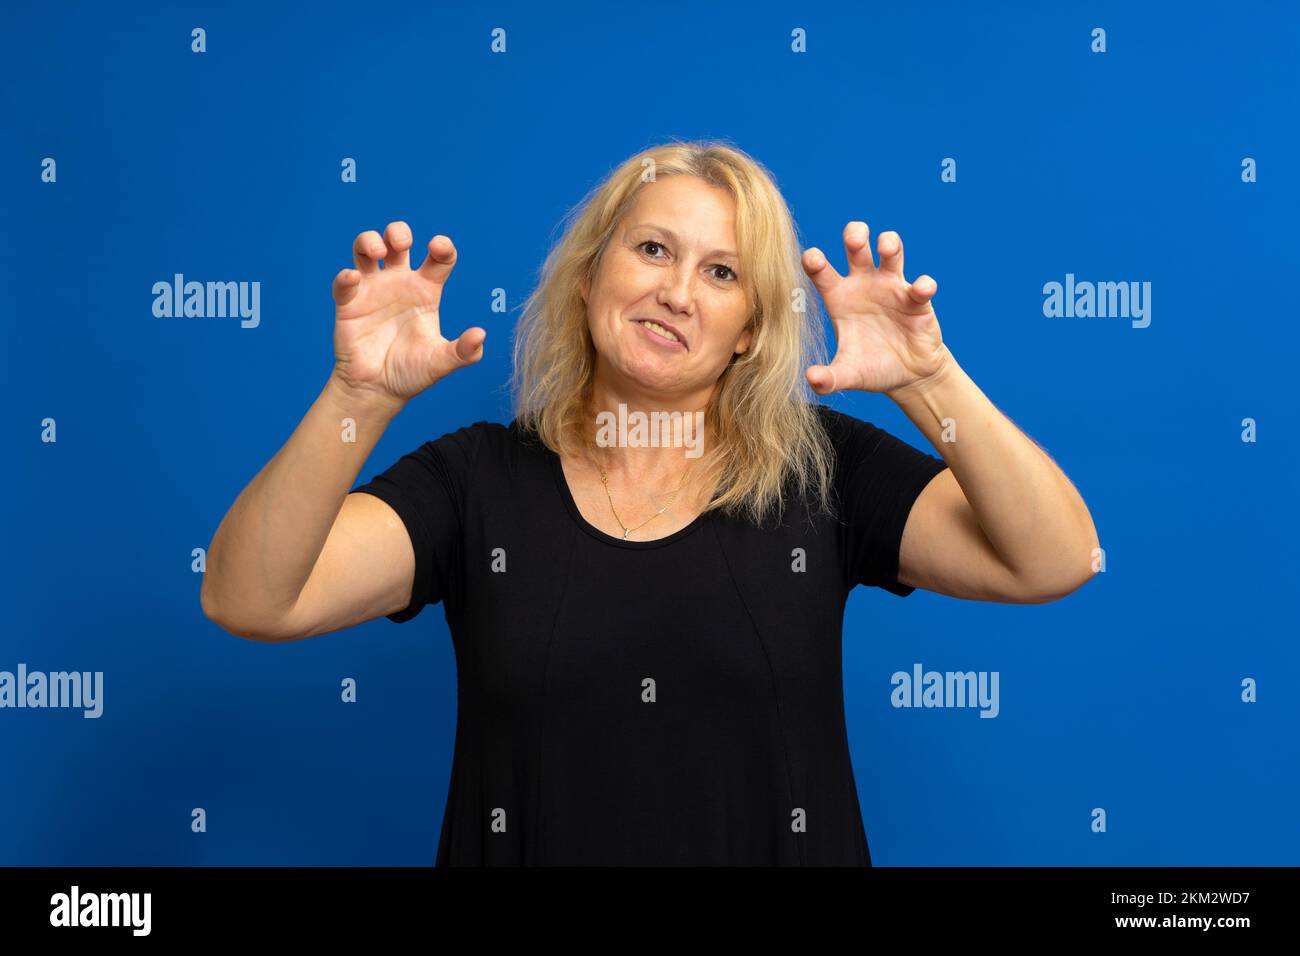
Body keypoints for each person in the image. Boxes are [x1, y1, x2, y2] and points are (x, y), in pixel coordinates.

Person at [200, 140, 1099, 866]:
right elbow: (251, 599)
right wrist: (358, 399)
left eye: (722, 273)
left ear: (749, 330)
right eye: (654, 249)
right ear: (590, 276)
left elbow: (1055, 559)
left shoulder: (819, 470)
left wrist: (929, 379)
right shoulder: (475, 481)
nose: (675, 290)